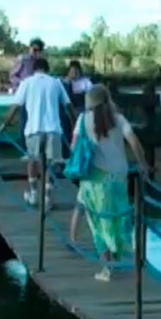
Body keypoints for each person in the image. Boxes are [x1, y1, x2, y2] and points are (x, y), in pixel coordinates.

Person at [74, 85, 149, 282]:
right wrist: (143, 165)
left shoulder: (83, 119)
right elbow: (134, 142)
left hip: (95, 178)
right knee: (117, 217)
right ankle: (115, 258)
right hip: (119, 176)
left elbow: (74, 146)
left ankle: (106, 268)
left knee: (98, 222)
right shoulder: (118, 119)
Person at [6, 57, 74, 210]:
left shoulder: (27, 83)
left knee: (32, 160)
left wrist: (5, 123)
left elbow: (16, 106)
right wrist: (75, 122)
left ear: (34, 69)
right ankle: (48, 197)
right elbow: (68, 105)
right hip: (53, 129)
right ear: (47, 69)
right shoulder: (56, 83)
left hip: (33, 128)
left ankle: (33, 193)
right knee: (50, 164)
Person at [64, 59, 95, 241]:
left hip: (81, 114)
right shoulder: (64, 83)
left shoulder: (85, 83)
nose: (75, 73)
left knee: (82, 202)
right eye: (72, 71)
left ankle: (74, 238)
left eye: (77, 71)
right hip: (74, 115)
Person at [9, 38, 46, 150]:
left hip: (36, 94)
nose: (36, 52)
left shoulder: (40, 62)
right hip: (24, 93)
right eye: (34, 49)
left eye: (38, 50)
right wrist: (23, 84)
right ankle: (24, 148)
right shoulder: (23, 60)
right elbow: (12, 76)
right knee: (24, 120)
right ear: (30, 48)